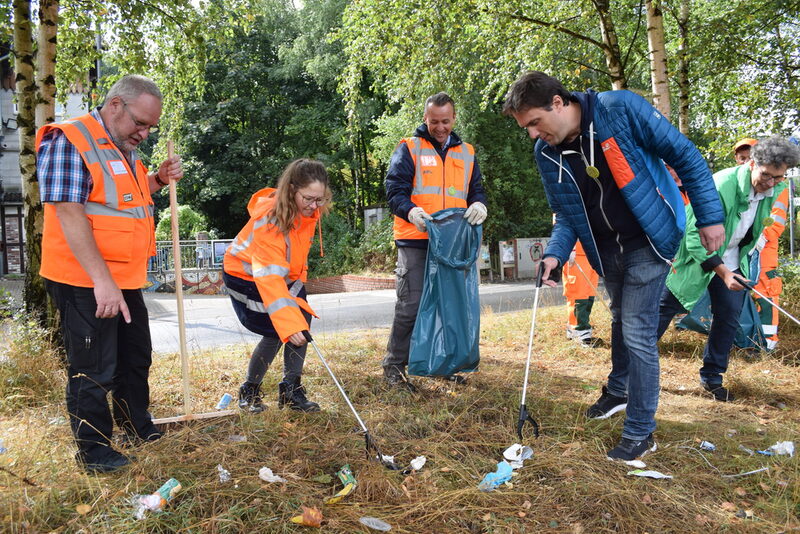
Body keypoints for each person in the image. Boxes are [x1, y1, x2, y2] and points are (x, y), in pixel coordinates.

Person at [503, 71, 725, 461]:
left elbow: (685, 156)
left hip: (650, 239)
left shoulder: (618, 109)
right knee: (623, 322)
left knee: (638, 333)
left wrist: (709, 216)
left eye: (535, 123)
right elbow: (566, 214)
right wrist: (555, 253)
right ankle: (618, 392)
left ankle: (641, 432)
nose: (533, 135)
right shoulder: (547, 154)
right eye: (526, 129)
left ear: (558, 102)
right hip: (605, 250)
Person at [37, 75, 183, 473]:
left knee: (135, 357)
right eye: (140, 122)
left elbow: (125, 201)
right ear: (115, 105)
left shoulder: (121, 147)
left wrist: (157, 180)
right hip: (84, 279)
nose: (145, 133)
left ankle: (137, 427)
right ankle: (95, 453)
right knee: (94, 368)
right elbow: (69, 212)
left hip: (124, 278)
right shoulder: (70, 139)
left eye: (151, 127)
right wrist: (102, 281)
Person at [657, 137, 800, 400]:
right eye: (766, 175)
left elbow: (755, 227)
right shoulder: (722, 184)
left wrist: (743, 262)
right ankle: (628, 370)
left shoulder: (773, 189)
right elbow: (693, 235)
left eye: (777, 178)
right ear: (752, 163)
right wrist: (722, 272)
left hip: (734, 259)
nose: (770, 183)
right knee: (663, 310)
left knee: (728, 317)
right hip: (698, 256)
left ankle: (712, 378)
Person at [383, 92, 488, 391]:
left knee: (449, 305)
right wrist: (410, 210)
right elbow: (394, 191)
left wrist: (479, 205)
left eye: (445, 121)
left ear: (454, 119)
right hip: (415, 238)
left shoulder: (467, 152)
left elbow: (476, 190)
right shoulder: (409, 148)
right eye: (433, 122)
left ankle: (445, 364)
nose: (440, 127)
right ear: (425, 118)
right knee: (411, 304)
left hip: (453, 241)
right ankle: (394, 367)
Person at [223, 159, 330, 413]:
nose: (315, 206)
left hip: (280, 275)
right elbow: (268, 275)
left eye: (320, 199)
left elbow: (293, 257)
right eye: (309, 199)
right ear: (292, 189)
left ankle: (291, 391)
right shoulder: (270, 220)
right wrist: (287, 322)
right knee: (277, 329)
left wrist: (296, 314)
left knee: (301, 319)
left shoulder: (306, 213)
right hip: (246, 275)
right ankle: (249, 391)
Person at [753, 185, 790, 350]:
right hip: (742, 246)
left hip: (764, 249)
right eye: (741, 157)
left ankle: (767, 340)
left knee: (766, 291)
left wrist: (760, 236)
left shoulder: (779, 187)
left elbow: (775, 220)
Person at [563, 240, 601, 346]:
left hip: (593, 254)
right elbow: (563, 225)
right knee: (579, 295)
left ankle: (581, 331)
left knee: (590, 294)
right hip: (577, 255)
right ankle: (579, 331)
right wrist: (571, 248)